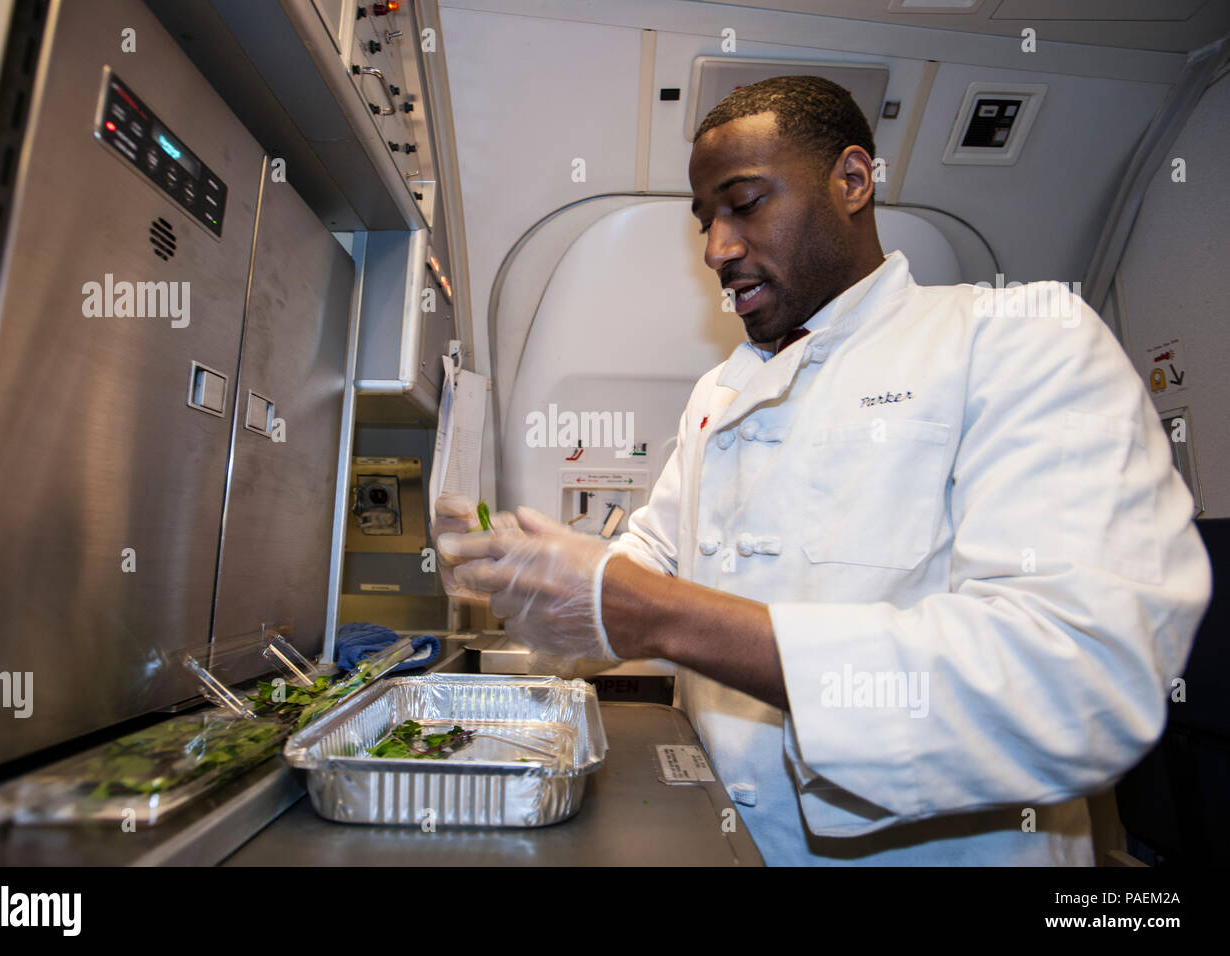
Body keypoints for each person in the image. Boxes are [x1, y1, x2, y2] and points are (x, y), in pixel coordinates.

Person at [435, 76, 1212, 865]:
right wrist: (523, 580)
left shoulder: (1018, 340)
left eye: (745, 203)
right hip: (724, 837)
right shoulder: (720, 393)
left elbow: (1073, 683)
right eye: (706, 221)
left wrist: (655, 613)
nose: (717, 248)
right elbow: (643, 572)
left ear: (851, 180)